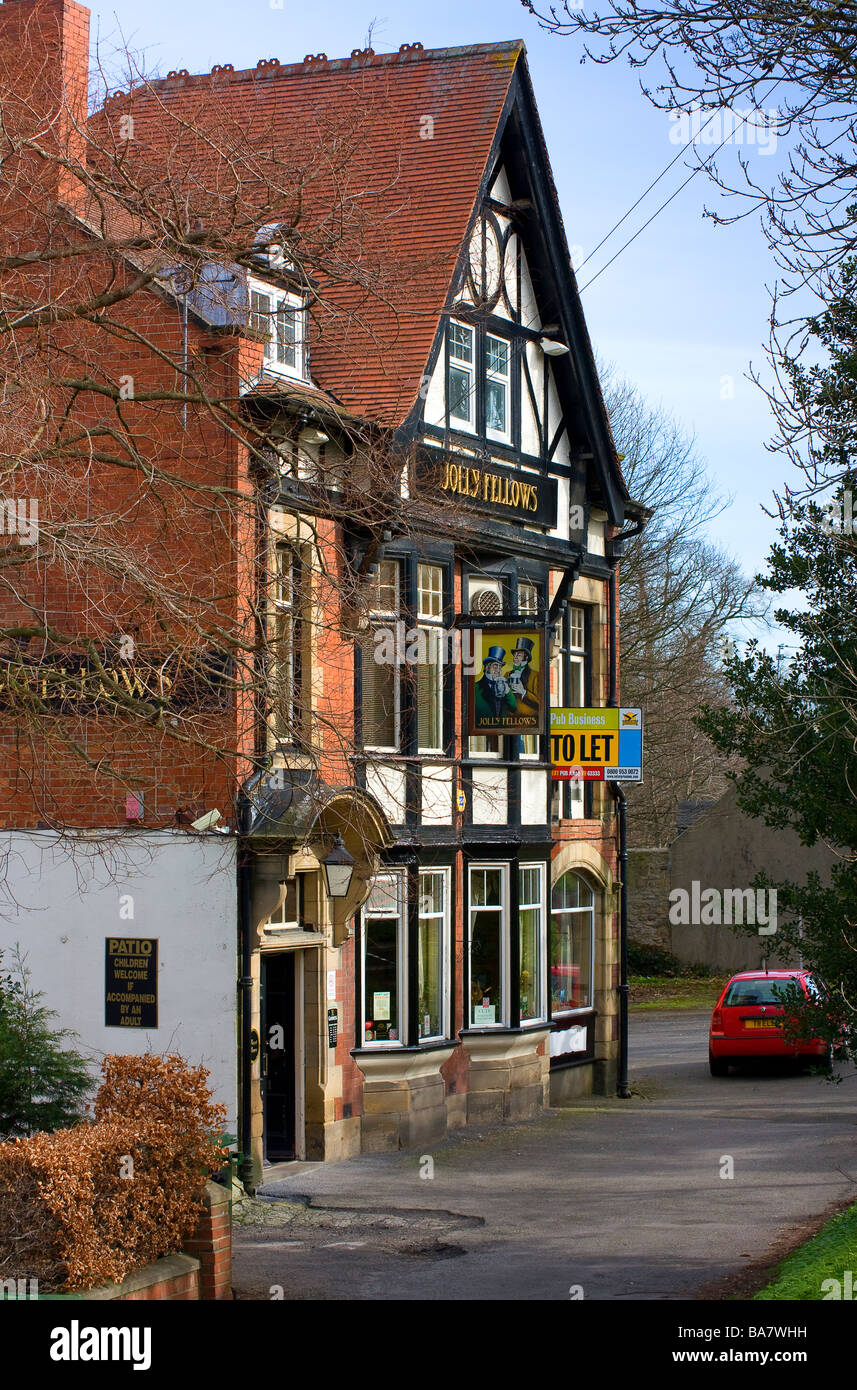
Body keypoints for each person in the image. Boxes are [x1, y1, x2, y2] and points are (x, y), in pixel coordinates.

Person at [473, 646, 518, 725]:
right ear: (487, 667)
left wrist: (507, 690)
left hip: (502, 729)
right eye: (495, 666)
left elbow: (513, 707)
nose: (498, 670)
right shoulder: (476, 688)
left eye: (500, 667)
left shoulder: (505, 686)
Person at [505, 637, 540, 715]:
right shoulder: (507, 674)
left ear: (526, 657)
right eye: (515, 655)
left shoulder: (536, 676)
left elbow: (540, 704)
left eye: (519, 655)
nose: (515, 657)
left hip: (529, 722)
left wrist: (523, 692)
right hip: (509, 721)